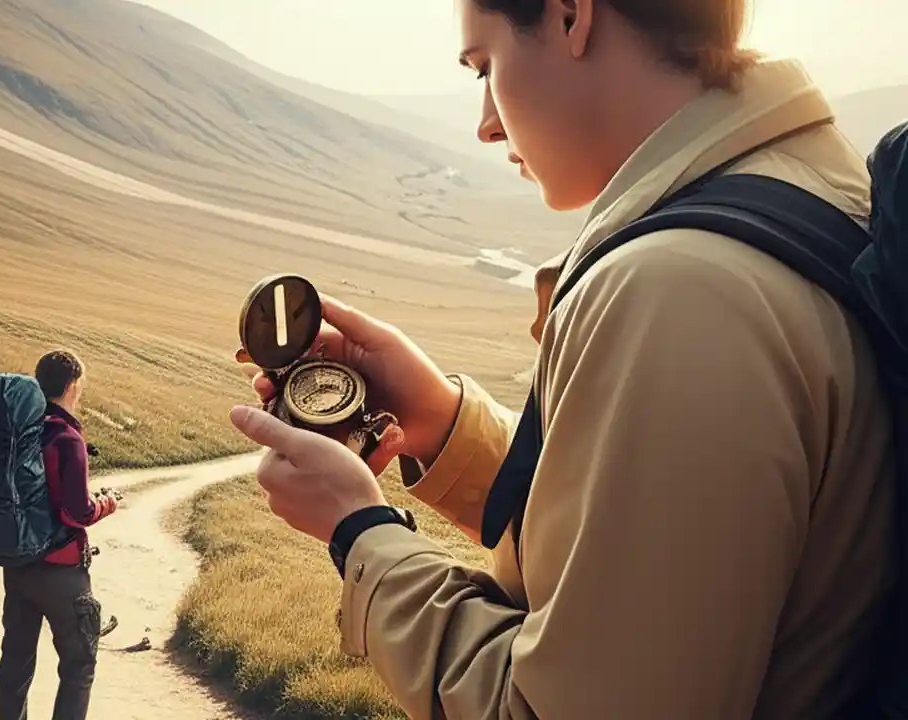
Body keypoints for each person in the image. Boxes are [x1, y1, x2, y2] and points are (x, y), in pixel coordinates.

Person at [231, 1, 898, 717]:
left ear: (573, 15)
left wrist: (360, 531)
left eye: (485, 66)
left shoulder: (678, 292)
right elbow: (659, 556)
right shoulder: (800, 187)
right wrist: (447, 426)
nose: (486, 122)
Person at [0, 350, 118, 720]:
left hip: (18, 565)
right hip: (62, 571)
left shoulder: (22, 429)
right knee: (79, 666)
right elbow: (75, 511)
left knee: (16, 660)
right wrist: (106, 504)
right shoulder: (67, 438)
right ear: (72, 384)